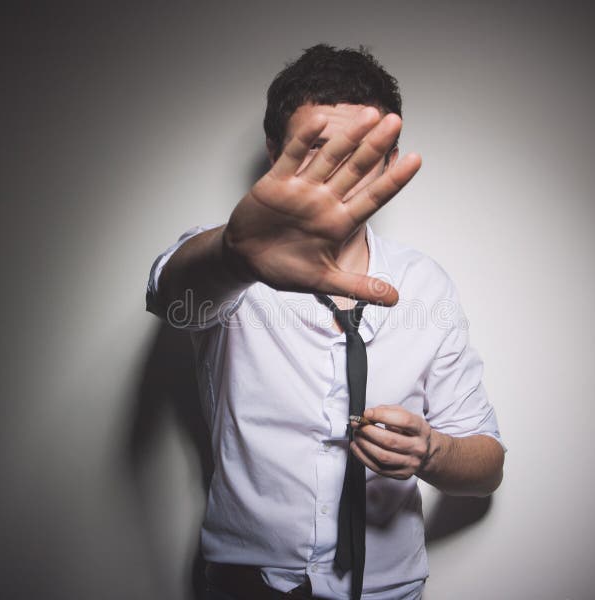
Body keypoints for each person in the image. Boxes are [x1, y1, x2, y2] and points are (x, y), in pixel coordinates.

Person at [146, 44, 506, 600]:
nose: (341, 171)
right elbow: (170, 294)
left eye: (360, 151)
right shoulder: (230, 261)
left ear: (388, 158)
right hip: (248, 583)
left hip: (391, 588)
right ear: (273, 154)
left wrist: (432, 451)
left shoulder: (426, 285)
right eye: (316, 150)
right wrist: (236, 255)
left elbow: (486, 465)